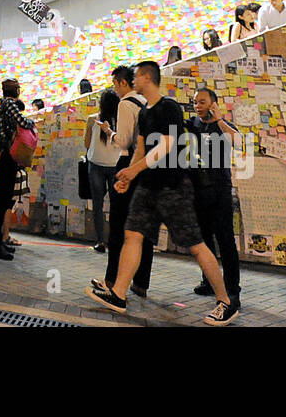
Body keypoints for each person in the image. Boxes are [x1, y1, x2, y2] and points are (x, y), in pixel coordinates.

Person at [95, 61, 238, 325]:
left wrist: (135, 169)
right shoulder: (144, 111)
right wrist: (129, 175)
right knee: (133, 234)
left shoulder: (169, 107)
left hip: (172, 186)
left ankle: (226, 301)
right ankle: (118, 294)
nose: (132, 80)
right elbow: (140, 147)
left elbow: (167, 145)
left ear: (147, 77)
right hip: (148, 186)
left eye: (136, 76)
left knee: (195, 244)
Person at [88, 65, 153, 300]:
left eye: (115, 84)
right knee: (141, 229)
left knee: (118, 226)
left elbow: (124, 142)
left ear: (123, 83)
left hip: (127, 166)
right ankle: (141, 283)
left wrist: (109, 131)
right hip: (145, 169)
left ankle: (111, 280)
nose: (115, 89)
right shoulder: (146, 102)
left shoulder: (126, 103)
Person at [187, 87, 241, 304]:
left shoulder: (223, 125)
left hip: (220, 188)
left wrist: (219, 119)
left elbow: (238, 142)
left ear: (213, 104)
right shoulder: (194, 124)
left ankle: (232, 289)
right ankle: (208, 281)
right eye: (195, 102)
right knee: (204, 239)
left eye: (202, 102)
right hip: (199, 189)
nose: (198, 106)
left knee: (225, 239)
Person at [0, 78, 33, 260]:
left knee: (3, 200)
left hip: (3, 154)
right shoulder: (9, 104)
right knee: (2, 201)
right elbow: (22, 122)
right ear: (16, 90)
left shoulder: (3, 104)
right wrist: (31, 123)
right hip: (6, 155)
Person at [84, 88, 123, 252]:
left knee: (97, 205)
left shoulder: (93, 119)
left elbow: (86, 144)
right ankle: (116, 241)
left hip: (96, 166)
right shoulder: (120, 122)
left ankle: (100, 240)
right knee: (116, 205)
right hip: (115, 166)